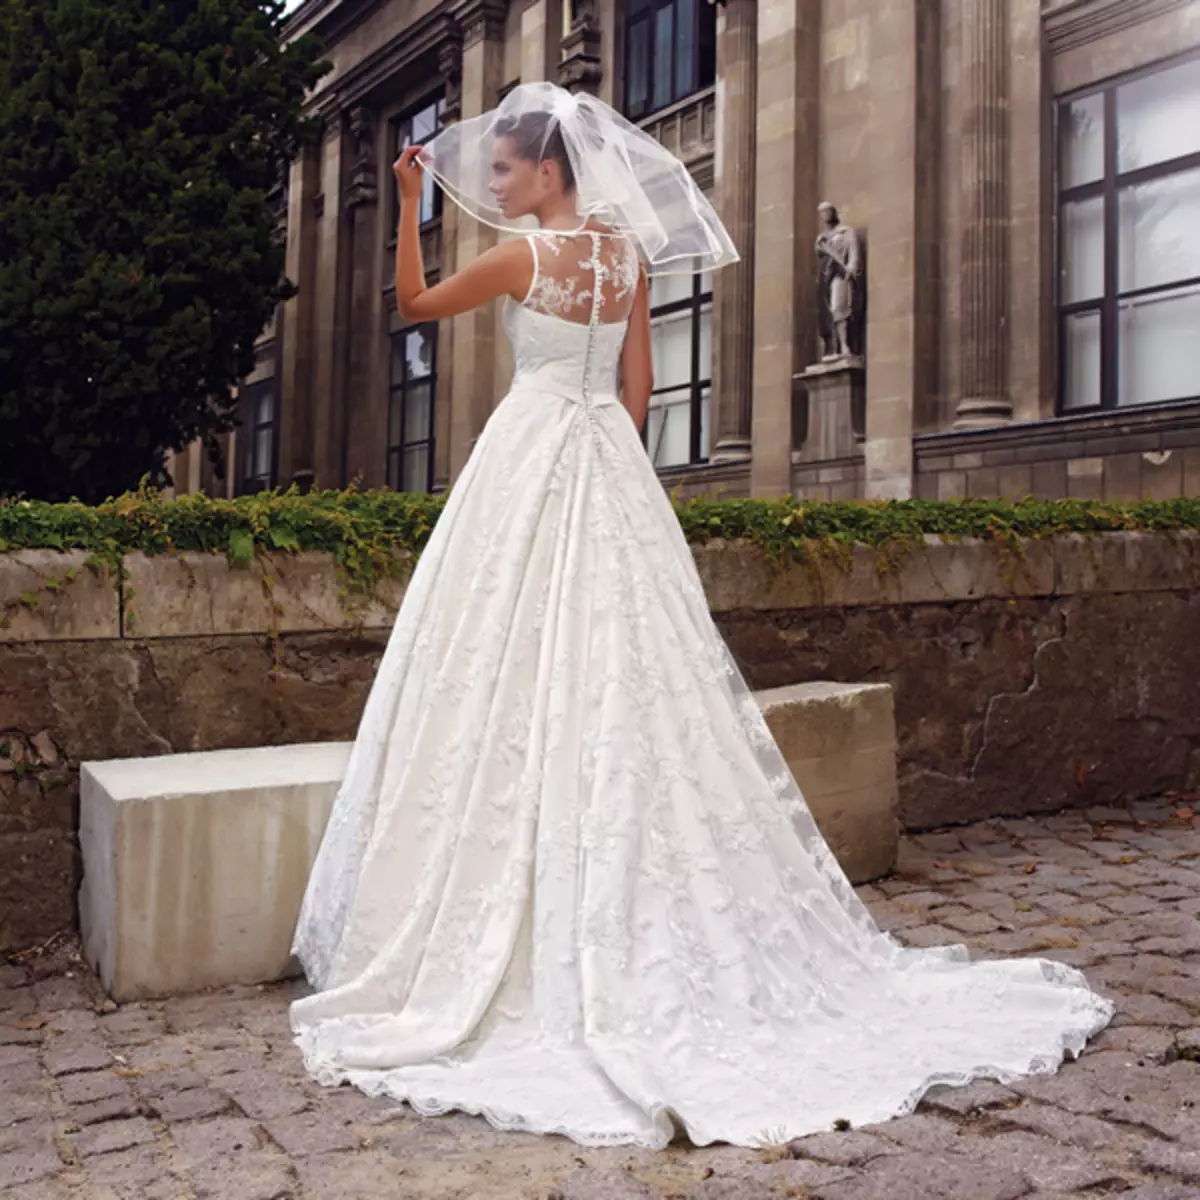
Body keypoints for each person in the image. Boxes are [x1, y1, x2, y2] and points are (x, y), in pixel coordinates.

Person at [289, 81, 1112, 1150]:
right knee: (628, 678)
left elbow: (413, 305)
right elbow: (637, 392)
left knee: (498, 664)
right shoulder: (625, 259)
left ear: (548, 171)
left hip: (528, 457)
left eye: (503, 170)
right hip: (603, 467)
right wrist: (610, 480)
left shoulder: (525, 259)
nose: (490, 185)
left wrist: (408, 207)